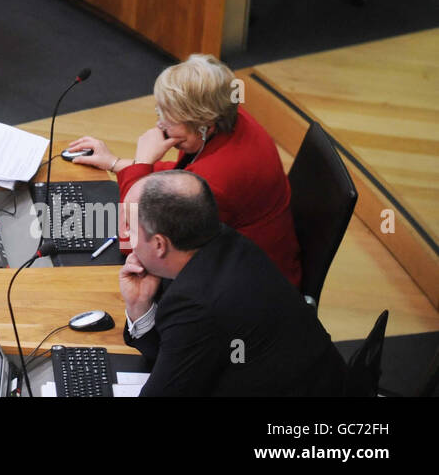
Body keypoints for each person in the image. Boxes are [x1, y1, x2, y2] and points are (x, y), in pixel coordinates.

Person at [67, 54, 301, 287]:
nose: (160, 124)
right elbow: (183, 173)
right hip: (242, 259)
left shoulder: (216, 180)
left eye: (169, 117)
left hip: (247, 287)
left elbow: (135, 243)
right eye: (160, 111)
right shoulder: (228, 117)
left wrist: (141, 163)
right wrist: (116, 163)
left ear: (204, 125)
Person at [119, 171, 347, 396]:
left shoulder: (197, 303)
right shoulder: (223, 241)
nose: (126, 234)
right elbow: (173, 356)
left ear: (160, 244)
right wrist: (140, 306)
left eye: (130, 226)